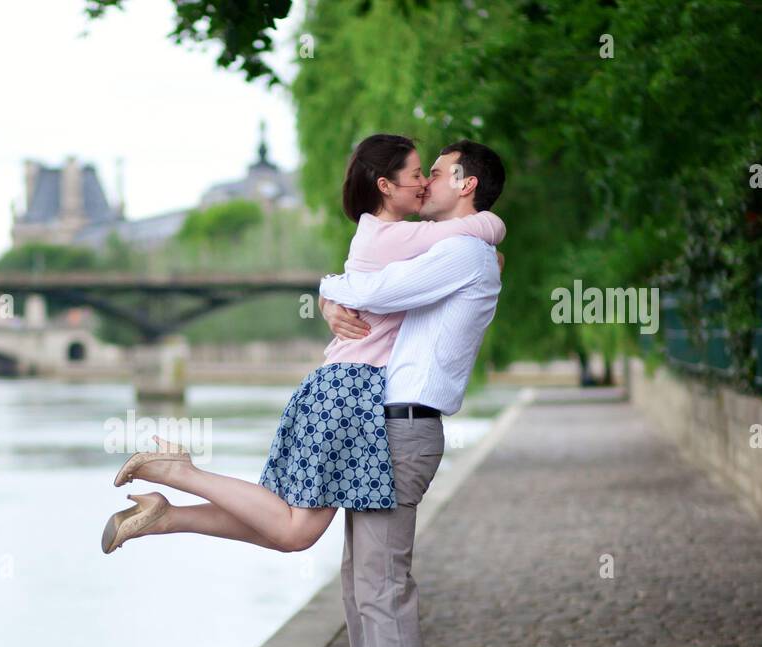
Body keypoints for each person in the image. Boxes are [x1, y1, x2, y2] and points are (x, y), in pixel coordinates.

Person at [100, 134, 504, 562]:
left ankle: (167, 515)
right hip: (353, 390)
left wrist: (328, 298)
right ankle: (178, 472)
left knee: (284, 524)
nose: (424, 183)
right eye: (418, 175)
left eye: (431, 174)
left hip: (338, 386)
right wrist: (493, 238)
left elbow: (445, 258)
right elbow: (475, 228)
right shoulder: (403, 237)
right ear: (385, 185)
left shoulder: (391, 236)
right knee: (295, 529)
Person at [312, 138, 507, 647]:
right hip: (386, 426)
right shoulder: (449, 243)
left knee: (384, 585)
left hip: (405, 430)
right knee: (361, 581)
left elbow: (380, 288)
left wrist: (328, 289)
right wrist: (336, 299)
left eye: (441, 172)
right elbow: (377, 284)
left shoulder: (465, 252)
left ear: (468, 183)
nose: (428, 183)